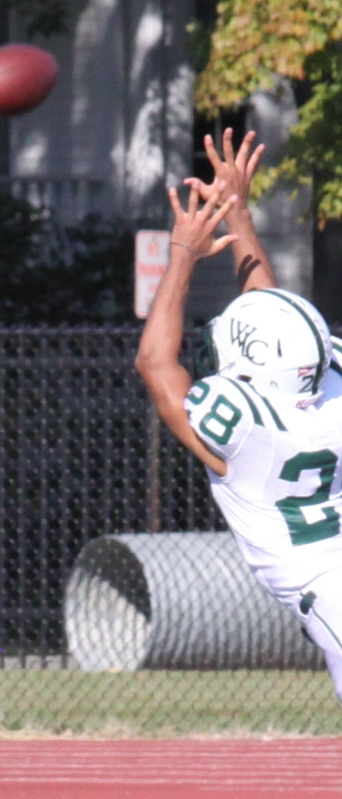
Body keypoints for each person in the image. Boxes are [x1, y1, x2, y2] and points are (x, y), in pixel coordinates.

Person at [136, 129, 342, 700]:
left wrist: (183, 254)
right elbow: (271, 316)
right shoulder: (328, 388)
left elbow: (156, 363)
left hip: (327, 591)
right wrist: (238, 213)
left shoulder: (249, 432)